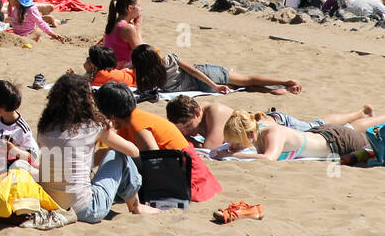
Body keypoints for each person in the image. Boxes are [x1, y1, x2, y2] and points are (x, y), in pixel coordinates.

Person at [36, 73, 158, 222]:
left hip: (51, 205)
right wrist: (109, 132)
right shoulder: (92, 126)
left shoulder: (44, 128)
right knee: (119, 154)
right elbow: (133, 151)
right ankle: (136, 206)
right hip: (86, 210)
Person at [167, 97, 384, 150]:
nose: (188, 131)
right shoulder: (193, 113)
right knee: (318, 122)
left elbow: (211, 147)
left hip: (277, 124)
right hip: (273, 123)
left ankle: (370, 117)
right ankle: (360, 111)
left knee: (329, 129)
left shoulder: (215, 111)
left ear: (196, 112)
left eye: (187, 126)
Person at [129, 43, 301, 98]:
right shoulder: (169, 60)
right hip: (206, 77)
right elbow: (195, 72)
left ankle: (279, 90)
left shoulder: (149, 80)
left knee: (244, 87)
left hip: (200, 90)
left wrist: (214, 88)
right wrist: (216, 85)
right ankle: (285, 82)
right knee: (246, 79)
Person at [223, 110, 370, 160]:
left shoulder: (273, 133)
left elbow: (269, 158)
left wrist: (234, 155)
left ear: (250, 135)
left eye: (236, 142)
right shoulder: (256, 126)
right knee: (354, 129)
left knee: (373, 140)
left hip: (338, 142)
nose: (233, 146)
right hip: (323, 133)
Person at [93, 83, 191, 152]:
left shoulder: (137, 126)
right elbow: (108, 151)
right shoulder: (128, 121)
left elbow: (154, 160)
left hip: (186, 175)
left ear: (112, 116)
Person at [0, 80, 39, 174]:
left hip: (11, 169)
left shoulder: (22, 129)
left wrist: (13, 150)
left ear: (2, 107)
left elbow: (32, 156)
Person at [102, 0, 142, 69]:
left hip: (111, 68)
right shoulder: (127, 28)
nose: (141, 9)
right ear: (130, 8)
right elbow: (142, 53)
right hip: (121, 71)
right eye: (139, 6)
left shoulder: (114, 23)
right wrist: (138, 28)